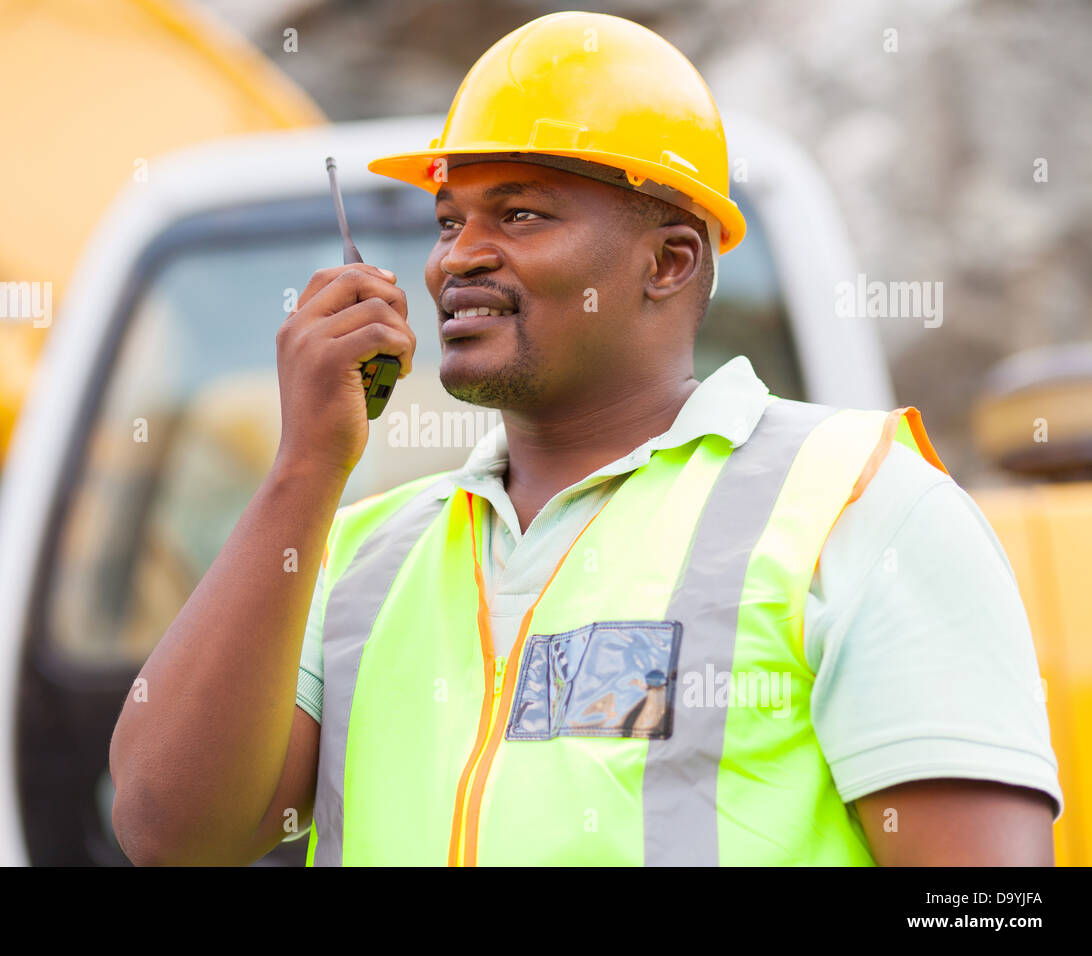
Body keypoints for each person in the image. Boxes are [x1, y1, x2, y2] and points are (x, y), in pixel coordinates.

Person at [108, 11, 1061, 866]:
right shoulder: (359, 556)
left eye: (519, 213)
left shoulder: (863, 512)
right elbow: (169, 833)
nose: (456, 257)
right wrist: (304, 468)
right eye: (449, 220)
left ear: (667, 261)